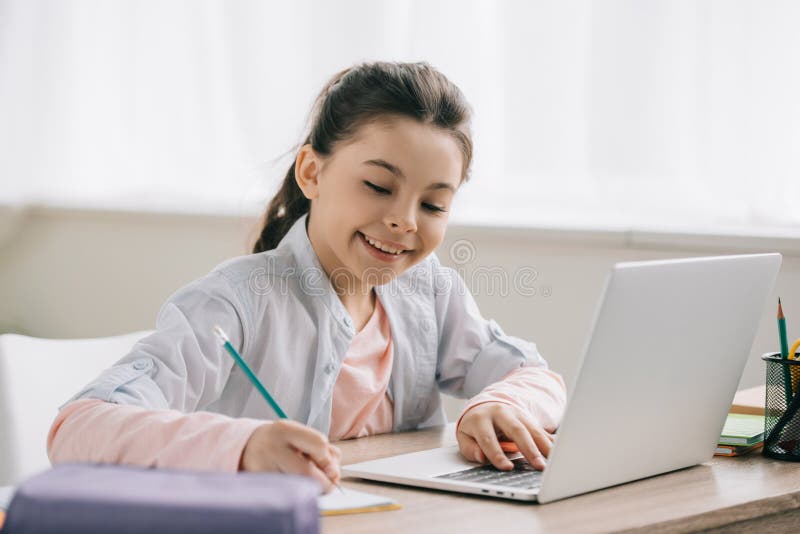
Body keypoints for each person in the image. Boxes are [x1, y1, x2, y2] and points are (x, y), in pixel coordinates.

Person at [47, 61, 566, 494]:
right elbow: (76, 427)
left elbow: (540, 378)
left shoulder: (427, 290)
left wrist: (504, 403)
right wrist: (242, 448)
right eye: (378, 185)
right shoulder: (235, 301)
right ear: (312, 173)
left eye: (433, 203)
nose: (405, 220)